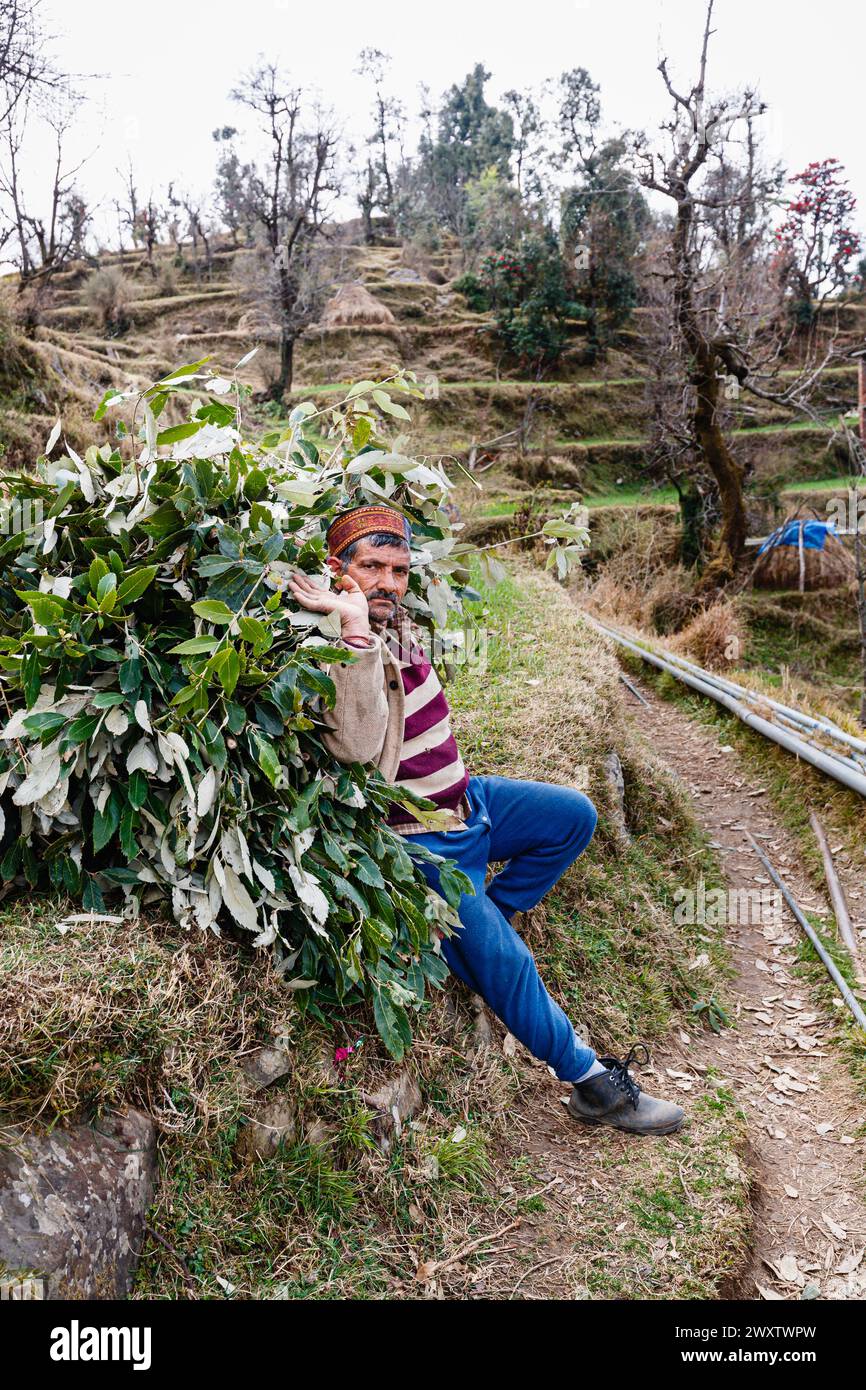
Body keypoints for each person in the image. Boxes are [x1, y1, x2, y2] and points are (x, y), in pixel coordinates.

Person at [287, 503, 685, 1136]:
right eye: (372, 568)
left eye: (399, 568)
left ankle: (484, 925)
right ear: (338, 571)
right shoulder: (335, 642)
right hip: (424, 843)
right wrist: (355, 631)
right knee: (512, 966)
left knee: (573, 818)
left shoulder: (399, 619)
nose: (389, 582)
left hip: (472, 801)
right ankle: (592, 1085)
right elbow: (356, 748)